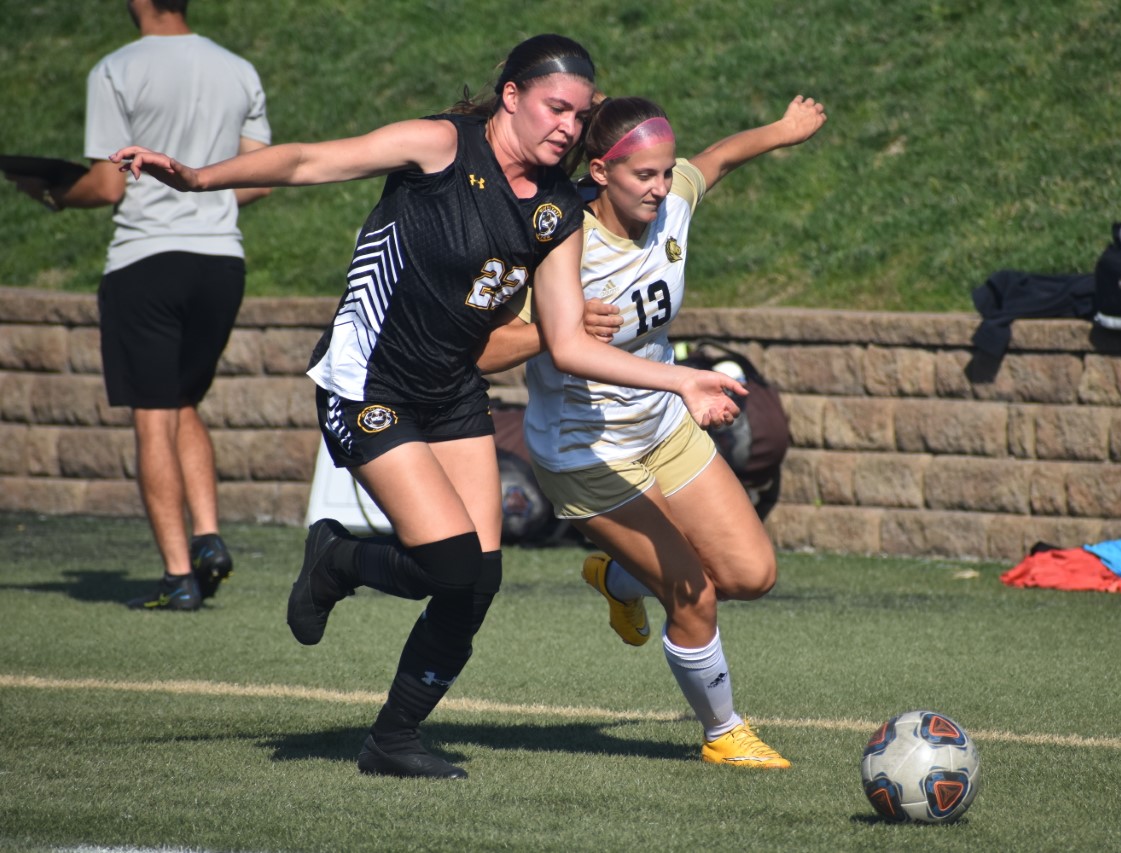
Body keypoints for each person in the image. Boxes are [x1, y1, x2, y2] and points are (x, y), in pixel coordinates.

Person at [112, 34, 745, 780]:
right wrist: (198, 178)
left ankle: (393, 738)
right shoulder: (441, 145)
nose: (568, 127)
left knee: (476, 581)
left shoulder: (555, 212)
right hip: (368, 383)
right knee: (449, 564)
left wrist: (682, 381)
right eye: (555, 108)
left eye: (578, 115)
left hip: (451, 391)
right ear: (511, 95)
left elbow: (568, 344)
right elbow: (308, 160)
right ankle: (338, 557)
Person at [475, 94, 827, 768]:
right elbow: (485, 350)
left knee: (752, 575)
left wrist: (784, 130)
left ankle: (619, 579)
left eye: (666, 172)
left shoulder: (671, 204)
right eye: (644, 175)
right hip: (586, 453)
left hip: (664, 427)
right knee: (693, 594)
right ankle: (723, 733)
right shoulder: (559, 238)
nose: (661, 187)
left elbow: (717, 160)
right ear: (601, 173)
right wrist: (555, 329)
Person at [3, 0, 272, 612]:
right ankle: (208, 538)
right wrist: (204, 202)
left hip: (146, 261)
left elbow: (106, 186)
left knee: (153, 415)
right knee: (183, 401)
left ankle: (178, 576)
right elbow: (257, 177)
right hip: (221, 263)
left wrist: (51, 193)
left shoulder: (116, 69)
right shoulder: (238, 68)